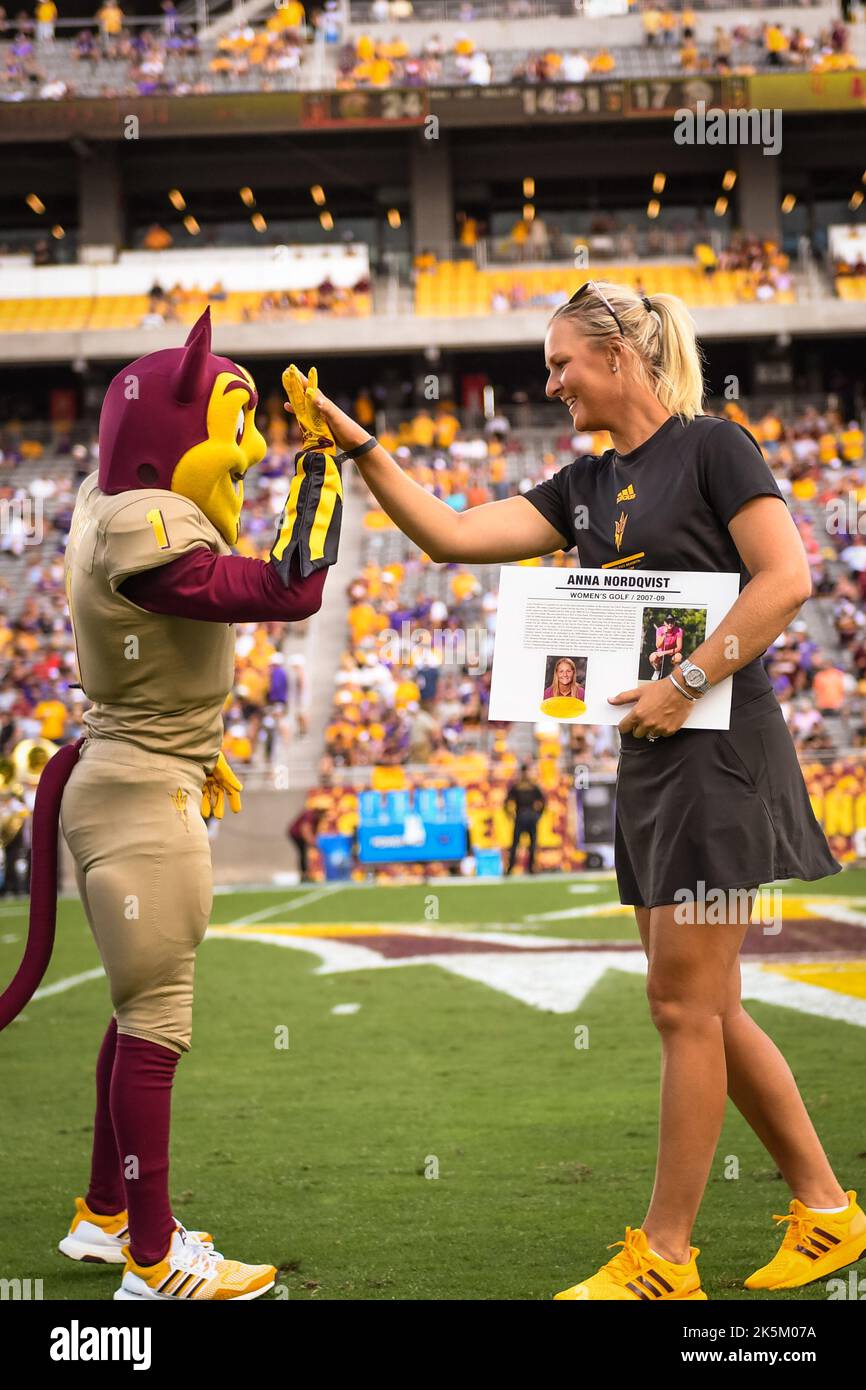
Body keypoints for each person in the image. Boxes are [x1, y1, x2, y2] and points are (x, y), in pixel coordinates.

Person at [283, 280, 860, 1303]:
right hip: (653, 752)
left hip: (716, 747)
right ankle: (823, 1210)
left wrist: (684, 681)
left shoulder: (715, 443)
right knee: (706, 1006)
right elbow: (450, 535)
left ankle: (664, 1257)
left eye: (560, 362)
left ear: (620, 357)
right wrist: (359, 447)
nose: (548, 382)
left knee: (681, 1004)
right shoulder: (583, 482)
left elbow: (785, 579)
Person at [0, 313, 343, 1301]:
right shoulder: (139, 520)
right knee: (155, 1024)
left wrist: (198, 746)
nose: (248, 451)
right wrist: (320, 474)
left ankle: (108, 1216)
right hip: (140, 792)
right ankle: (153, 1260)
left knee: (133, 1013)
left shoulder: (112, 506)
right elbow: (284, 589)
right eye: (234, 423)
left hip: (142, 770)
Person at [504, 762, 545, 874]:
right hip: (524, 815)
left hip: (525, 815)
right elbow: (507, 802)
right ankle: (514, 868)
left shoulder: (524, 785)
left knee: (529, 844)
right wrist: (538, 814)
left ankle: (528, 868)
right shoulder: (525, 785)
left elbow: (543, 801)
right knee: (518, 844)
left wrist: (538, 814)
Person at [648, 613, 683, 680]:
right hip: (660, 654)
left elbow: (679, 648)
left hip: (672, 654)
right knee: (653, 657)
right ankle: (657, 670)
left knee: (679, 657)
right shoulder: (660, 630)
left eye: (672, 622)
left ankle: (674, 673)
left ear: (674, 622)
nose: (670, 624)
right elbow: (658, 645)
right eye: (668, 622)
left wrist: (665, 652)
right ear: (664, 623)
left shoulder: (679, 631)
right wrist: (664, 634)